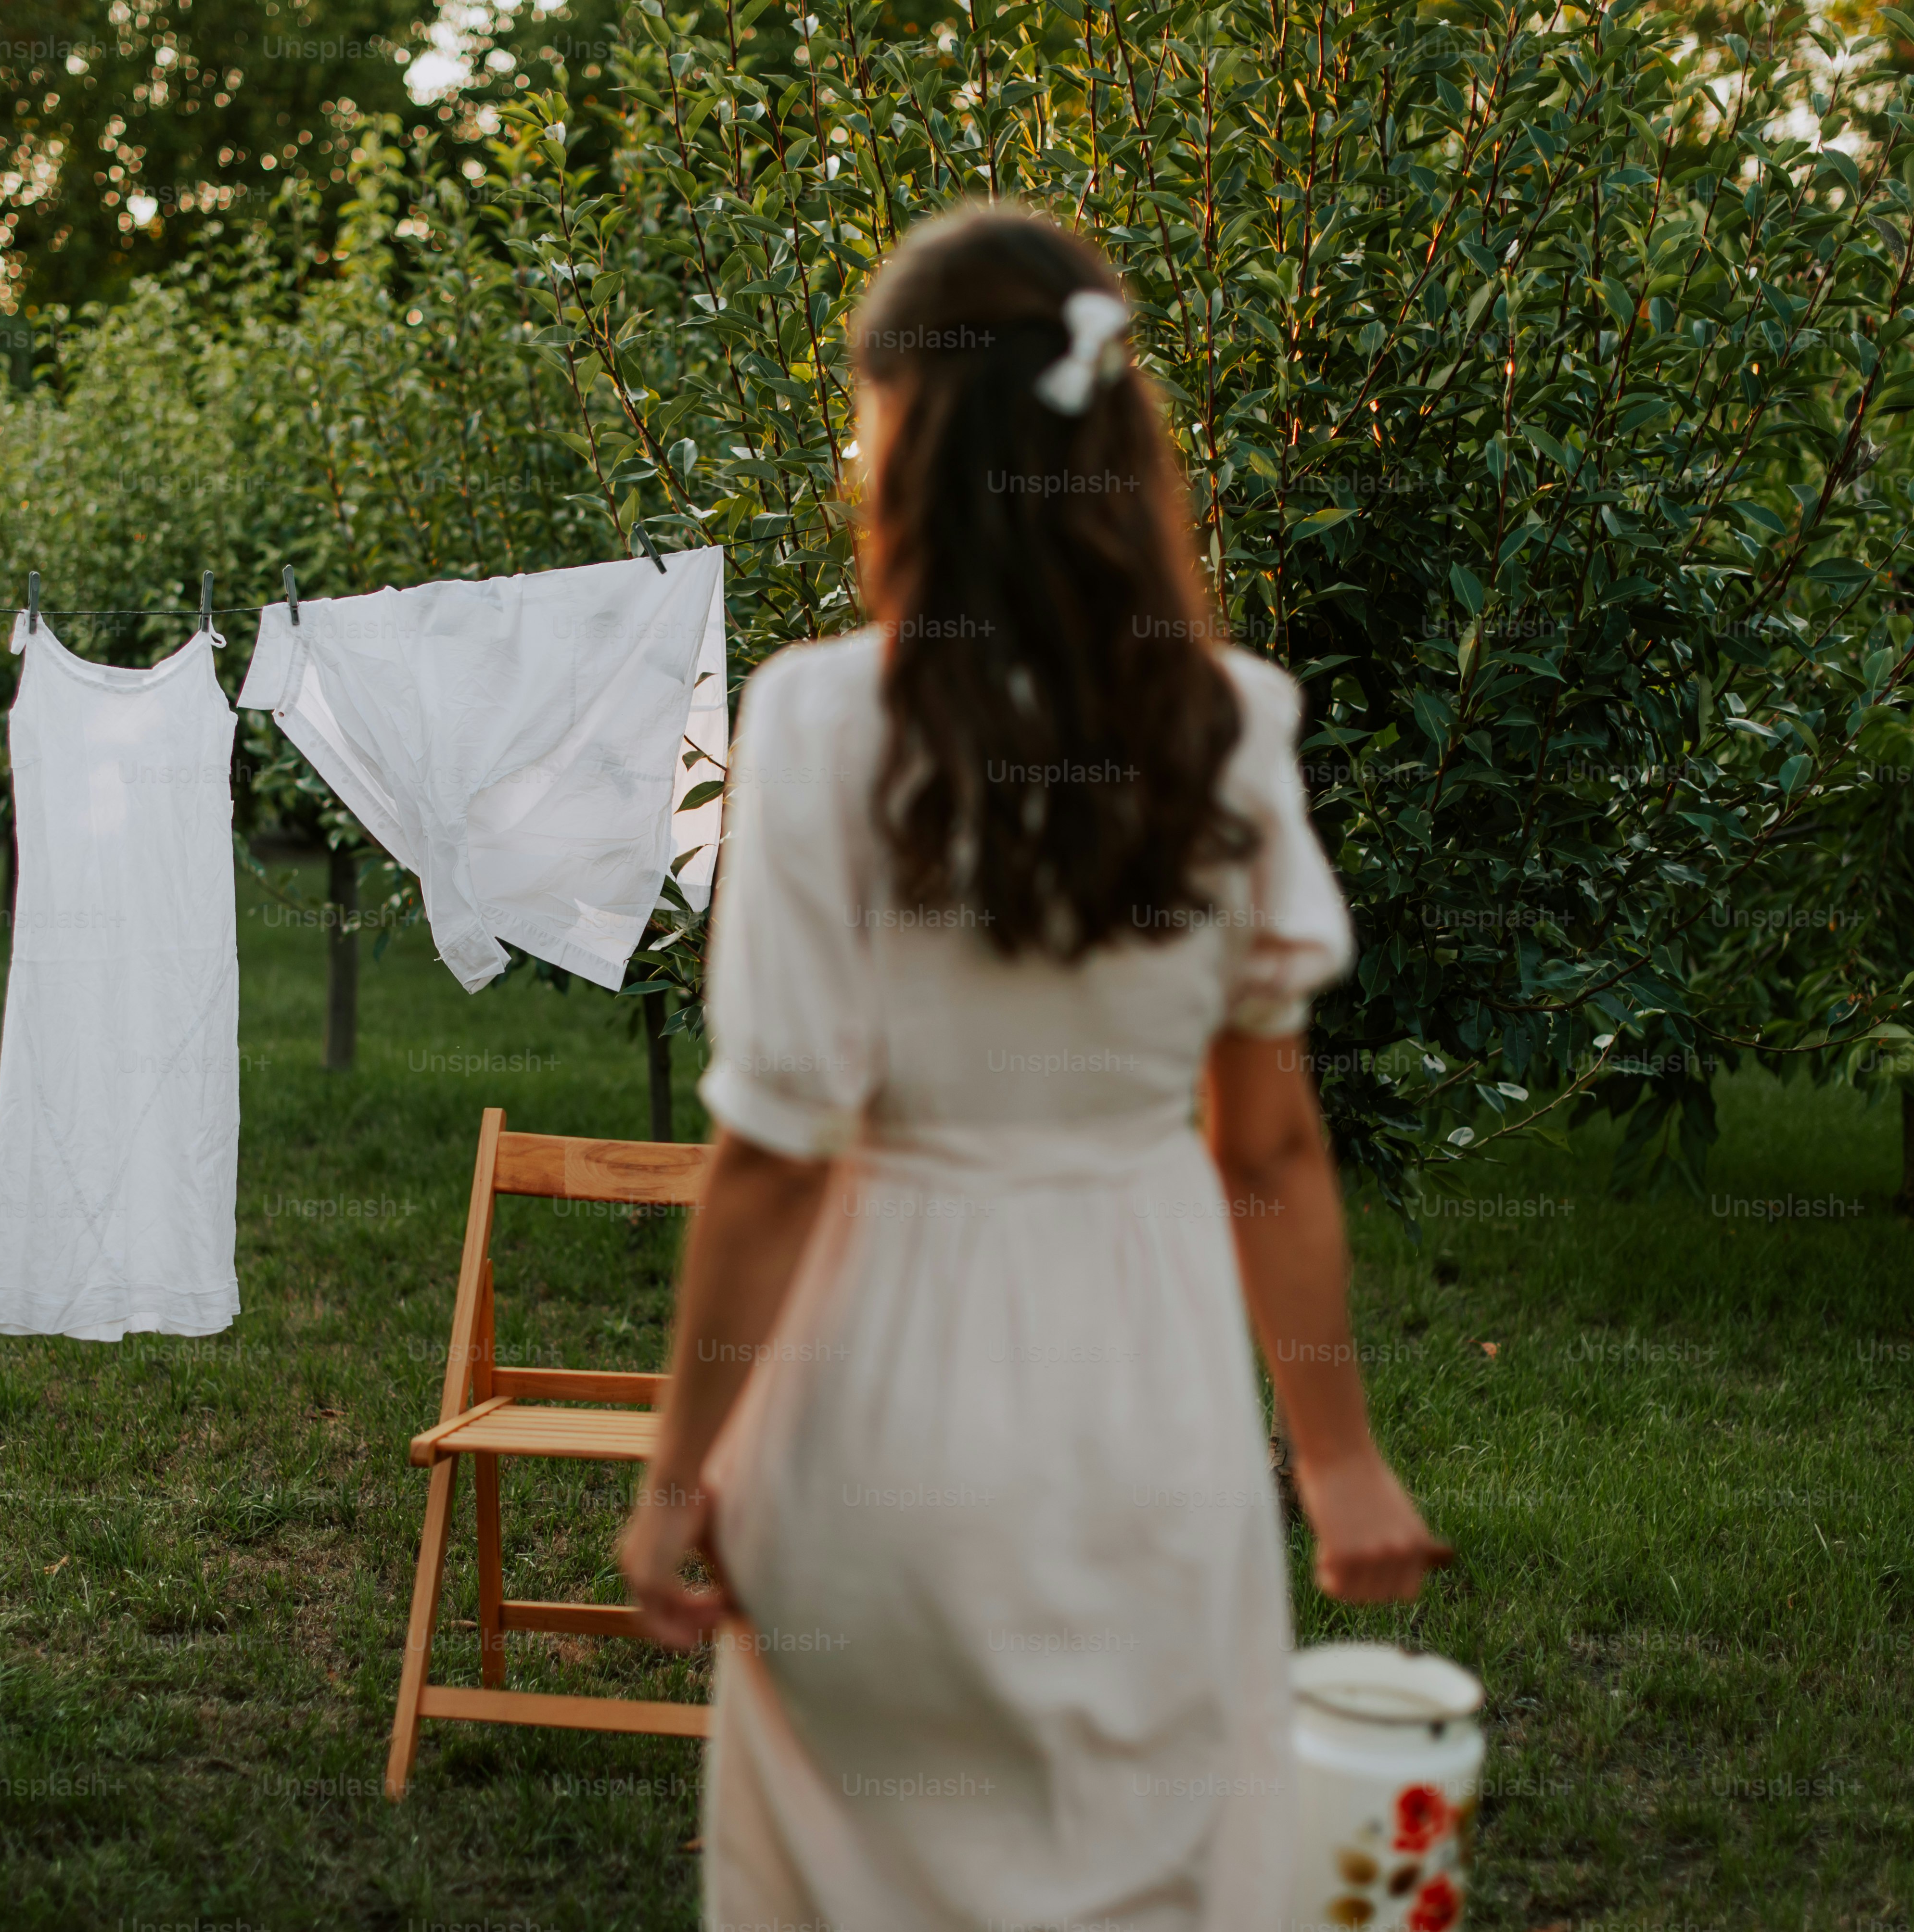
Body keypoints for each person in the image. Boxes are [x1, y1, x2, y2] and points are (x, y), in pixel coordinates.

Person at [618, 205, 1450, 1931]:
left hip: (873, 1420)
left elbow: (773, 1159)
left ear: (907, 440)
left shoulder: (825, 726)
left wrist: (677, 1470)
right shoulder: (1228, 731)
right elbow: (1271, 1146)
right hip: (1141, 1419)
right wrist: (1340, 1456)